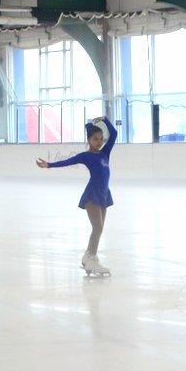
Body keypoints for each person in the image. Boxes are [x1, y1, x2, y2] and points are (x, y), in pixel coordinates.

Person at [36, 115, 117, 275]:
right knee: (97, 228)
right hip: (92, 195)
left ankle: (89, 257)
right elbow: (68, 161)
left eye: (101, 139)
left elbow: (113, 134)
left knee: (99, 229)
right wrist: (49, 165)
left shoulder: (105, 153)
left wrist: (105, 120)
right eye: (95, 139)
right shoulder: (86, 156)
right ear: (89, 140)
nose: (99, 142)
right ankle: (91, 259)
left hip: (104, 195)